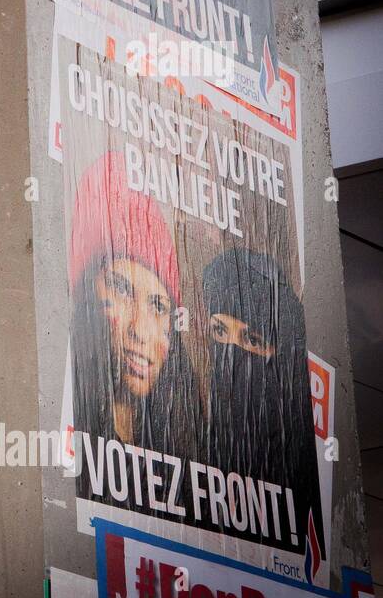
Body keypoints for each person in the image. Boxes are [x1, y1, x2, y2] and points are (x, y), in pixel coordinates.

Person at [68, 151, 201, 489]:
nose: (140, 330)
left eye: (159, 306)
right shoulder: (58, 444)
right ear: (86, 295)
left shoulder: (187, 474)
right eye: (121, 289)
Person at [202, 248, 324, 556]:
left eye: (252, 340)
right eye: (219, 331)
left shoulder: (307, 463)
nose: (229, 356)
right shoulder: (200, 443)